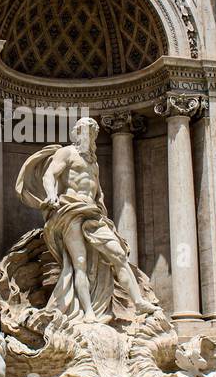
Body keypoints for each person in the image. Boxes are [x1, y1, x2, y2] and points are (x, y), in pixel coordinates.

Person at [17, 116, 157, 324]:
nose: (89, 135)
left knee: (118, 255)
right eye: (84, 130)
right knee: (79, 263)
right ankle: (88, 311)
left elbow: (97, 190)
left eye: (93, 132)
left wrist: (102, 207)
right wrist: (52, 195)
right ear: (76, 133)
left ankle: (138, 302)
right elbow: (49, 175)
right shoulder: (66, 153)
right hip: (70, 209)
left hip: (92, 212)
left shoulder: (93, 162)